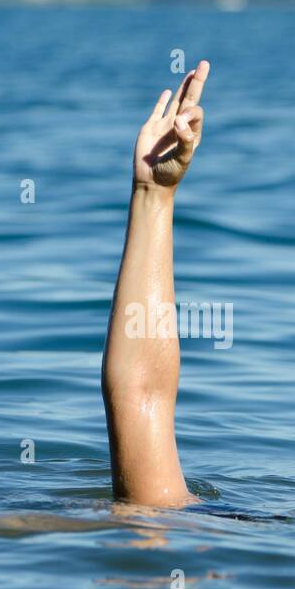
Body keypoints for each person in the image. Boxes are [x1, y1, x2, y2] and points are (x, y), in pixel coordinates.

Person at [101, 60, 210, 507]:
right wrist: (153, 194)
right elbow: (139, 389)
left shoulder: (162, 524)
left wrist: (154, 195)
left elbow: (140, 389)